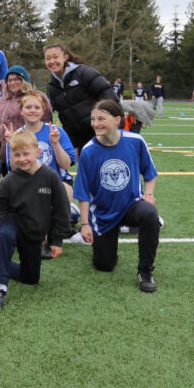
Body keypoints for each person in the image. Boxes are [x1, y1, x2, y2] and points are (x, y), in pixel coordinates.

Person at [75, 99, 160, 293]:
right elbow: (83, 192)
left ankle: (145, 271)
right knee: (104, 265)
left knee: (150, 214)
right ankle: (107, 244)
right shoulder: (88, 151)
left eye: (101, 119)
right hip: (103, 212)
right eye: (93, 119)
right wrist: (86, 223)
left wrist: (148, 194)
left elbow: (150, 174)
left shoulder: (135, 141)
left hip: (131, 205)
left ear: (117, 120)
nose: (96, 124)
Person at [0, 130, 72, 310]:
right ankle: (0, 290)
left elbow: (62, 210)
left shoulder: (50, 177)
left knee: (31, 279)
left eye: (26, 154)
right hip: (13, 222)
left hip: (34, 232)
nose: (22, 159)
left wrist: (58, 241)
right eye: (17, 155)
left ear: (37, 152)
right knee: (6, 234)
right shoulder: (10, 179)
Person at [44, 43, 116, 152]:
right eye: (48, 58)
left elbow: (109, 97)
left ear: (65, 57)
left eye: (55, 57)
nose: (52, 61)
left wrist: (109, 127)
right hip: (82, 141)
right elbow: (64, 116)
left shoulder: (84, 73)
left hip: (101, 133)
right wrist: (74, 143)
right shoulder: (52, 85)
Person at [0, 65, 49, 176]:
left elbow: (44, 122)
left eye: (17, 79)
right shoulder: (1, 101)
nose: (12, 83)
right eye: (10, 80)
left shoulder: (33, 98)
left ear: (25, 80)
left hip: (21, 151)